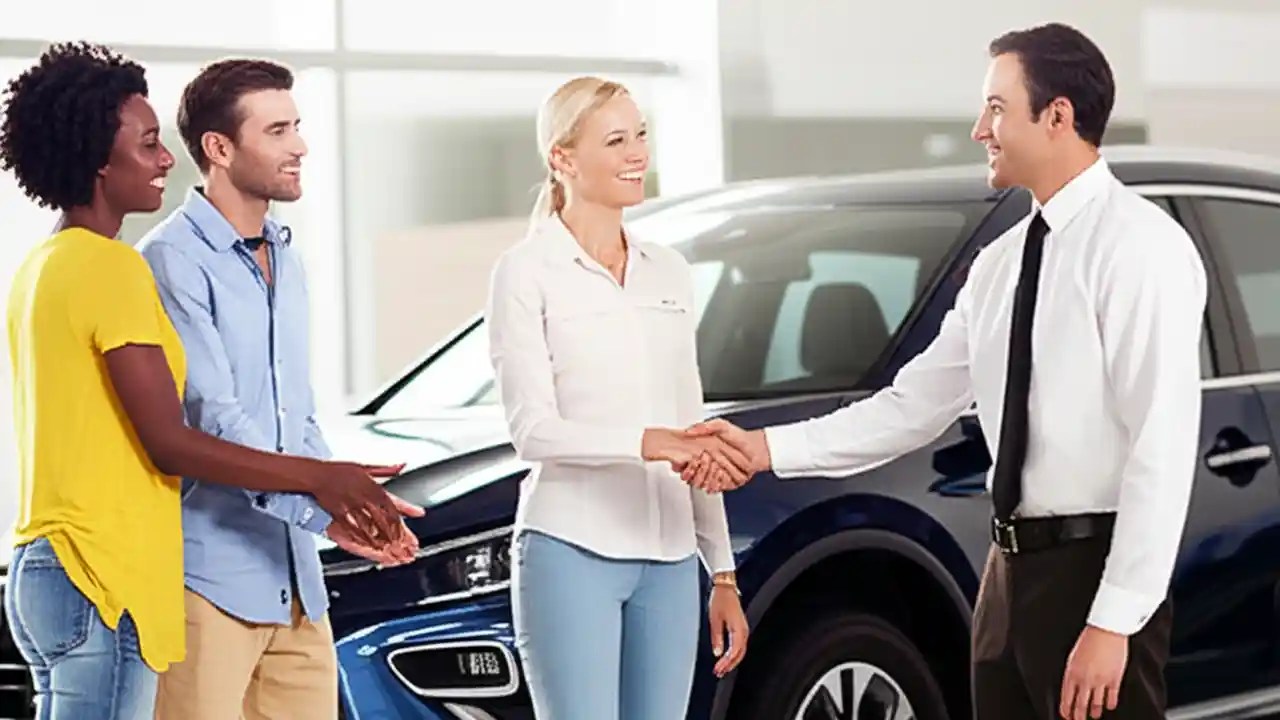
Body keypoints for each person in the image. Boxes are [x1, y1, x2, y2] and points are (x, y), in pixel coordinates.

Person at [684, 23, 1205, 720]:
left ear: (1058, 117)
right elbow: (908, 407)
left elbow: (1161, 449)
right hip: (1005, 577)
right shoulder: (998, 265)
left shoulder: (1141, 248)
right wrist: (762, 450)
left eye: (996, 107)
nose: (977, 130)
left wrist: (1115, 619)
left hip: (1094, 571)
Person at [0, 42, 416, 720]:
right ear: (97, 159)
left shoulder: (46, 265)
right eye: (146, 144)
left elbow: (282, 410)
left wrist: (325, 498)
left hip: (66, 565)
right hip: (104, 567)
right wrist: (321, 483)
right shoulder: (118, 268)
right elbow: (177, 438)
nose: (166, 156)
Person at [135, 58, 416, 720]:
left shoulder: (285, 254)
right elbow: (215, 419)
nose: (301, 146)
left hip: (296, 589)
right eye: (279, 130)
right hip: (209, 586)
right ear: (220, 148)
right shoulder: (170, 259)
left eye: (299, 126)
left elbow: (296, 416)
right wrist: (323, 505)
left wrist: (349, 514)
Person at [485, 76, 751, 719]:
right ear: (563, 158)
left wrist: (721, 571)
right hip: (571, 548)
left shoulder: (669, 270)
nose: (638, 154)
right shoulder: (526, 271)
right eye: (616, 140)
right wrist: (645, 442)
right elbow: (533, 432)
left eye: (640, 135)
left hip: (667, 559)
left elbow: (692, 421)